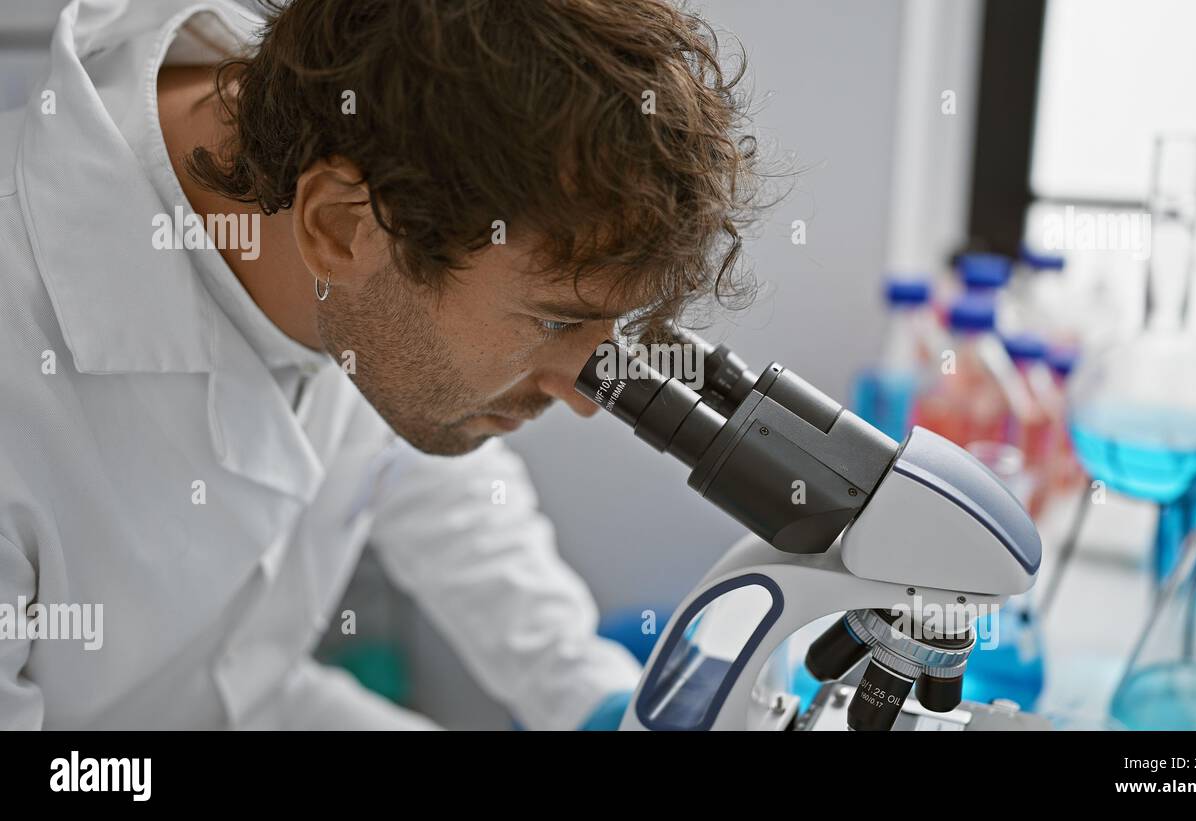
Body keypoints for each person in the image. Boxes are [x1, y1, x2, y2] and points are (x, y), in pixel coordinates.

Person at [0, 0, 762, 729]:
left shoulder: (360, 191)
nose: (587, 397)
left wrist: (594, 700)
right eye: (555, 319)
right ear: (336, 224)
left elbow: (426, 476)